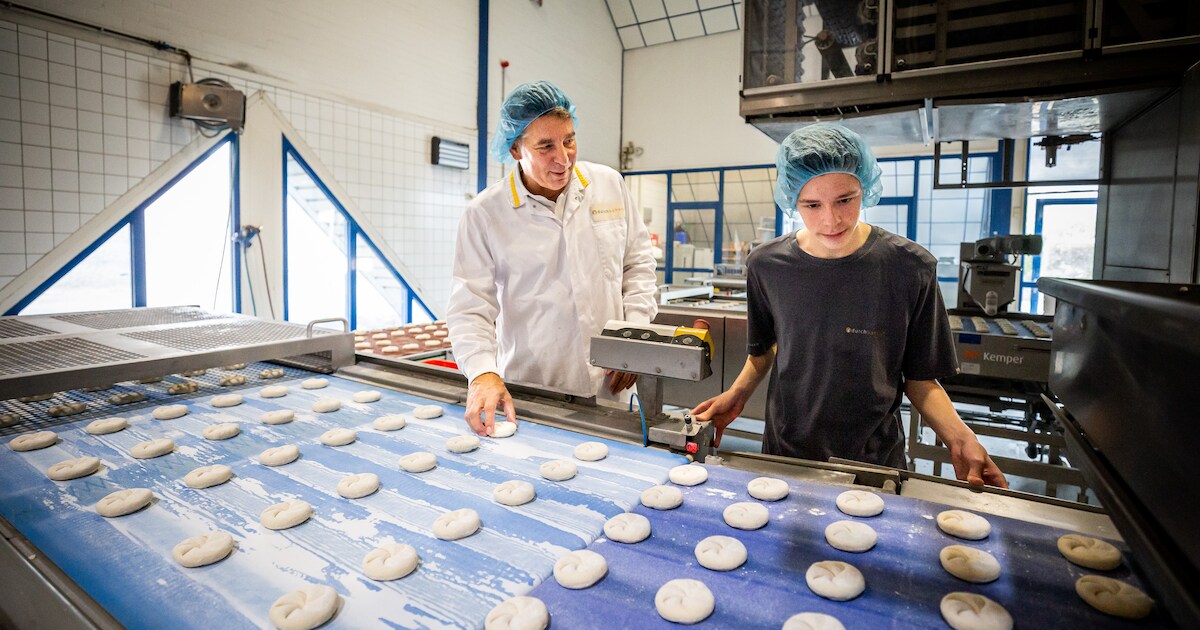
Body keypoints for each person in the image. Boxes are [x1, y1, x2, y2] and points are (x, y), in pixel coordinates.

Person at [691, 123, 1007, 488]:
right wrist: (737, 394)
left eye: (845, 199)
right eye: (812, 205)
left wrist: (960, 436)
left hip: (874, 463)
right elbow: (764, 351)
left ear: (865, 189)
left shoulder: (911, 268)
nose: (831, 219)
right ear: (792, 199)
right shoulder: (766, 265)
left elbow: (921, 380)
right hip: (787, 455)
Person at [447, 81, 658, 438]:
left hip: (613, 385)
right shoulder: (485, 214)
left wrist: (634, 336)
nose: (563, 158)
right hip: (535, 388)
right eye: (545, 146)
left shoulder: (608, 184)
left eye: (569, 140)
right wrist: (482, 372)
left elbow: (637, 264)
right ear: (515, 149)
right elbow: (470, 305)